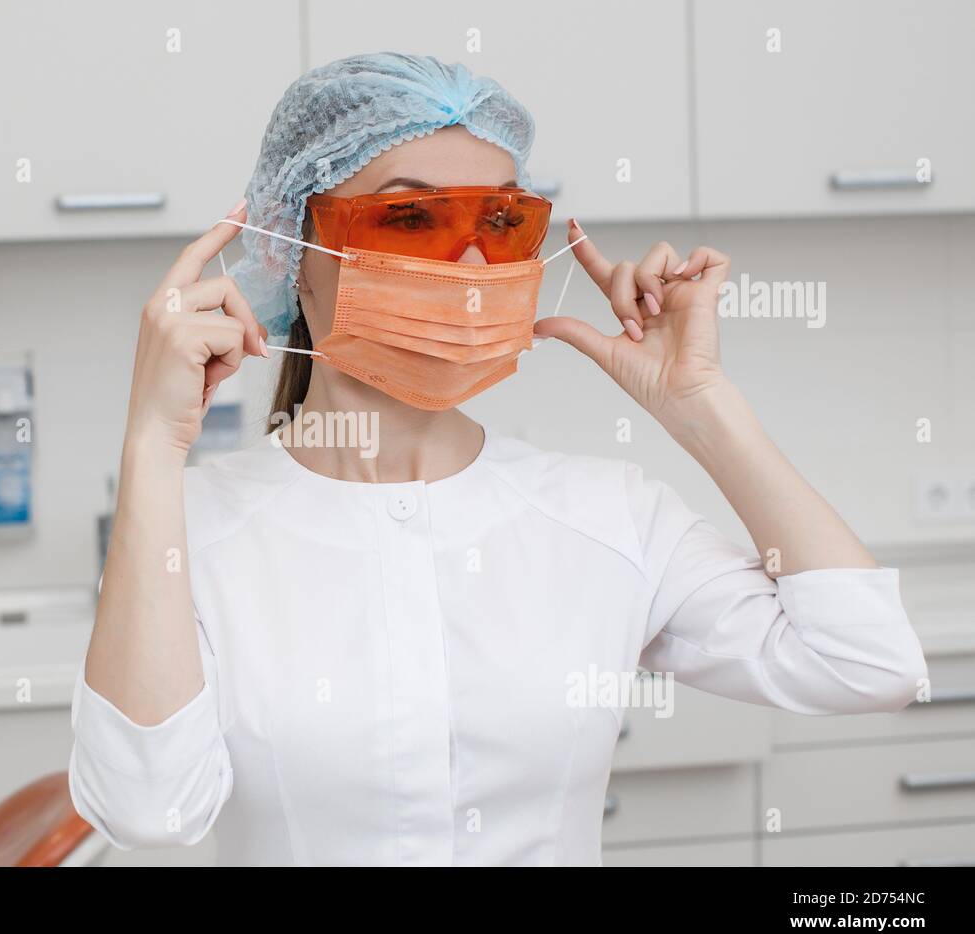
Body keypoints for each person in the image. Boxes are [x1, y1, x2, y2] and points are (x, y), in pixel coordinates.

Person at [69, 53, 926, 865]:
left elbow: (869, 663)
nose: (473, 263)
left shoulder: (606, 513)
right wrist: (150, 444)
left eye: (502, 220)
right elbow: (151, 811)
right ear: (293, 252)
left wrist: (699, 404)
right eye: (410, 217)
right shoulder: (198, 534)